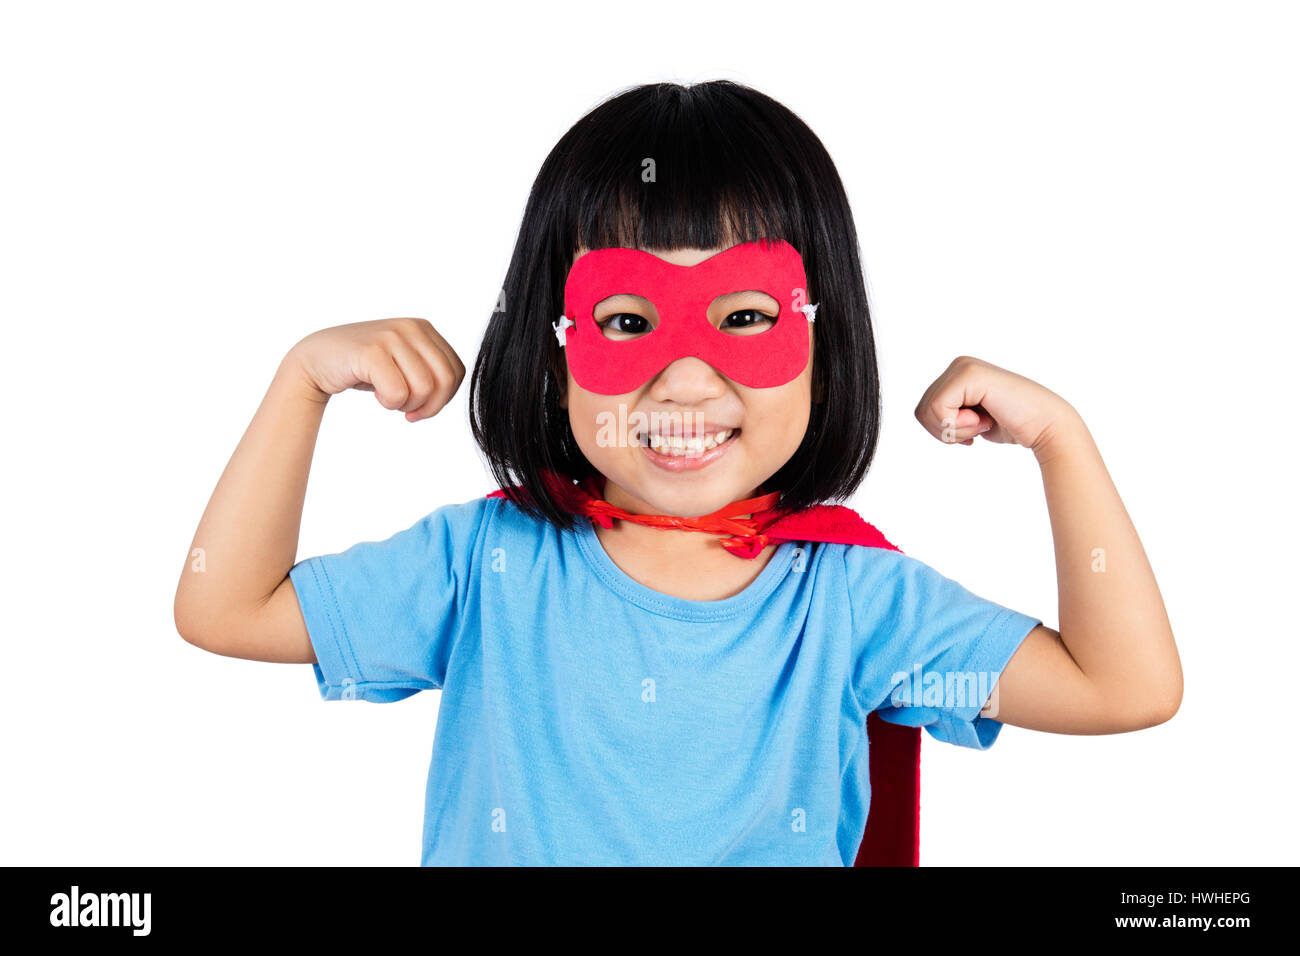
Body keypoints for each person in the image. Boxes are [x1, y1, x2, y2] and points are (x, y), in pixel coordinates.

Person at [173, 80, 1183, 866]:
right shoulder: (482, 566)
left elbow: (1121, 687)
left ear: (823, 346)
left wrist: (1063, 441)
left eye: (745, 316)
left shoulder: (852, 601)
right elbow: (225, 608)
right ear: (551, 349)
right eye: (626, 321)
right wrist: (301, 383)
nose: (687, 380)